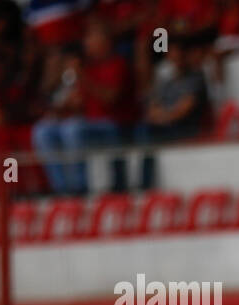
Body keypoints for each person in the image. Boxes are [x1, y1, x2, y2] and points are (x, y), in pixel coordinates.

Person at [31, 18, 132, 194]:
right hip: (88, 124)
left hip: (114, 124)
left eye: (92, 37)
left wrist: (82, 77)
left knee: (72, 129)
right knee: (43, 130)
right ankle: (61, 188)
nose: (87, 42)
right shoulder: (85, 67)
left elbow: (110, 98)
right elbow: (75, 102)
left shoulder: (117, 64)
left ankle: (80, 187)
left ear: (106, 41)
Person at [136, 36, 209, 190]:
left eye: (179, 53)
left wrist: (163, 116)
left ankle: (145, 184)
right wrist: (163, 115)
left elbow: (184, 109)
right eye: (172, 53)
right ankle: (144, 183)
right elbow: (153, 107)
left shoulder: (196, 78)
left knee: (148, 131)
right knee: (143, 129)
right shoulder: (167, 81)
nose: (176, 57)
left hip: (187, 129)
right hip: (166, 127)